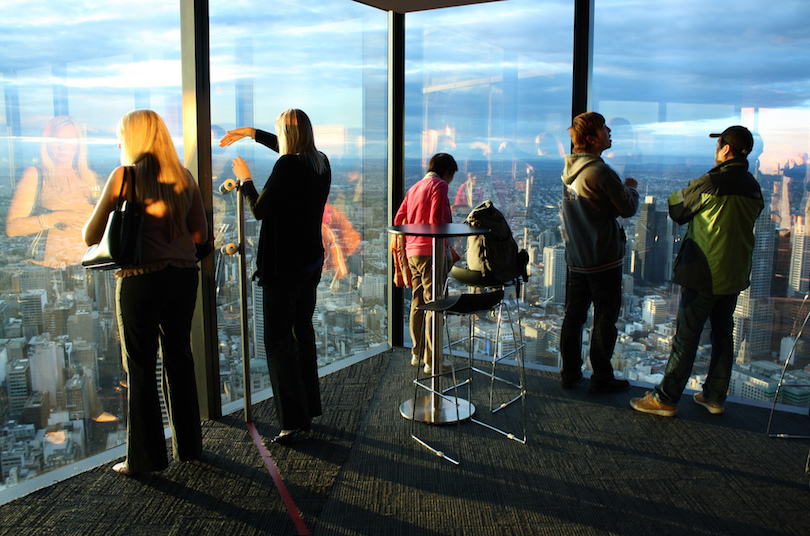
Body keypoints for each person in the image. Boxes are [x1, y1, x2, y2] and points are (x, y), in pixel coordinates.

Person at [83, 110, 208, 474]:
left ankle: (146, 459)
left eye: (121, 134)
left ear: (133, 138)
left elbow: (91, 236)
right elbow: (200, 235)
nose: (118, 141)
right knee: (179, 359)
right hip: (184, 276)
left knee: (139, 367)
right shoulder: (183, 176)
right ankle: (189, 447)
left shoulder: (124, 176)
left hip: (141, 279)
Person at [631, 126, 764, 417]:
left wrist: (696, 184)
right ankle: (715, 396)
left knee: (686, 337)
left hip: (705, 271)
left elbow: (677, 209)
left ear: (726, 149)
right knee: (722, 334)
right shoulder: (754, 187)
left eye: (718, 146)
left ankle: (666, 398)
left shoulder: (712, 182)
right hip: (735, 273)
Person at [221, 109, 331, 445]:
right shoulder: (320, 162)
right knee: (302, 335)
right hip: (310, 264)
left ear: (284, 134)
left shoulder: (288, 166)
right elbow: (290, 152)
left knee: (278, 342)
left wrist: (244, 179)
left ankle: (292, 421)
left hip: (283, 268)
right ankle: (309, 407)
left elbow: (260, 209)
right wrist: (253, 133)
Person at [559, 112, 639, 393]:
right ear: (592, 139)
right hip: (603, 259)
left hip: (576, 259)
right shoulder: (600, 172)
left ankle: (569, 372)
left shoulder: (569, 173)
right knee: (604, 320)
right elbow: (627, 208)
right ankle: (602, 376)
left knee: (574, 316)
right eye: (605, 129)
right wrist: (631, 189)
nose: (610, 132)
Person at [393, 153, 458, 374]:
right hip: (431, 252)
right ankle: (433, 360)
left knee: (418, 302)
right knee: (435, 304)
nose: (450, 182)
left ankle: (417, 353)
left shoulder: (414, 188)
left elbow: (398, 218)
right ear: (447, 172)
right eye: (451, 177)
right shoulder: (439, 185)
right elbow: (436, 222)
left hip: (412, 251)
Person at [7, 116, 99, 268]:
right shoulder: (35, 175)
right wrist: (57, 217)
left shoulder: (88, 177)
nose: (62, 146)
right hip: (52, 270)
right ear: (47, 144)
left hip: (88, 268)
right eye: (56, 140)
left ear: (78, 144)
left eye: (68, 140)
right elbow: (12, 228)